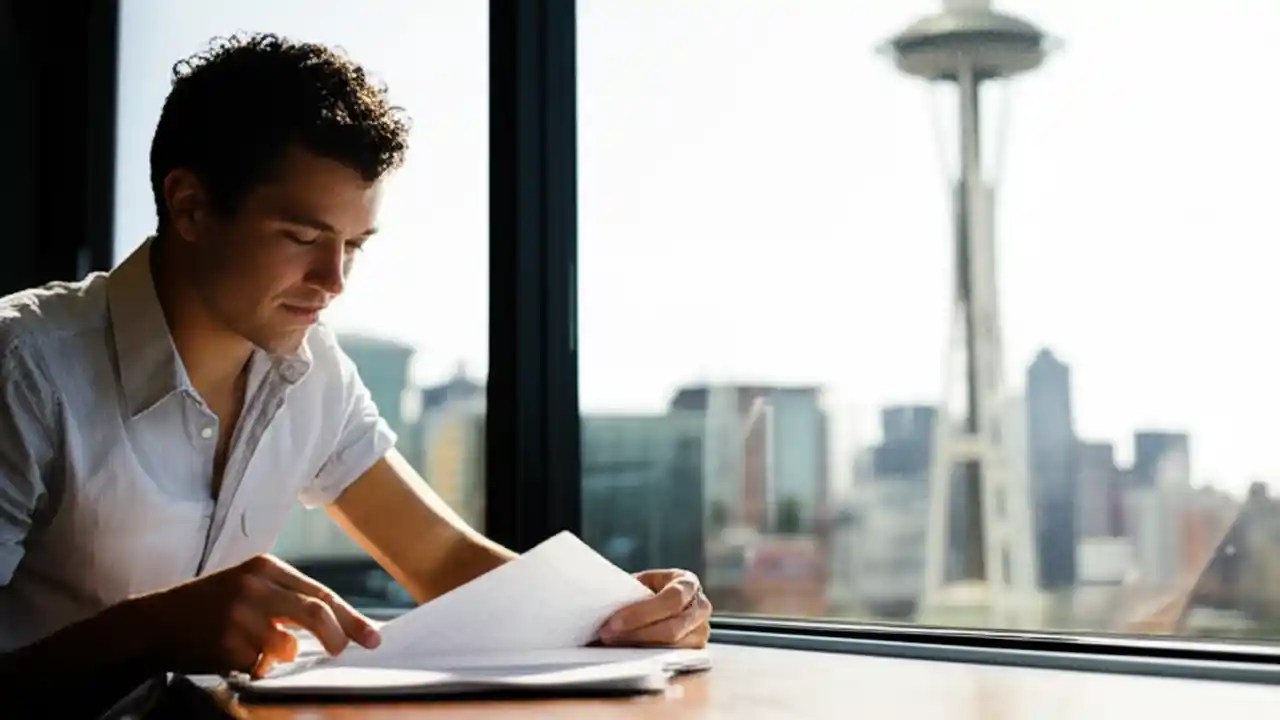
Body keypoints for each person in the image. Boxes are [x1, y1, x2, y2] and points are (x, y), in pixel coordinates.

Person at [0, 33, 711, 683]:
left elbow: (440, 557)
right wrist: (151, 631)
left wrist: (623, 612)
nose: (333, 280)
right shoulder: (23, 367)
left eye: (354, 245)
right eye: (301, 236)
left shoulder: (314, 372)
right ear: (189, 207)